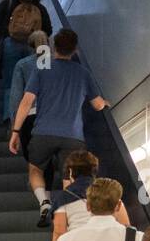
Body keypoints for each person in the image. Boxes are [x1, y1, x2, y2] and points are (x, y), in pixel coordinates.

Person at [9, 29, 110, 227]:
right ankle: (70, 219)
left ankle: (44, 202)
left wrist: (15, 131)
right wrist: (105, 102)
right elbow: (97, 105)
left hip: (42, 133)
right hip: (73, 136)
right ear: (75, 50)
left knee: (35, 169)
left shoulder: (42, 69)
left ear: (54, 46)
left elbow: (26, 101)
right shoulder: (83, 73)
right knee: (69, 178)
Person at [49, 150, 129, 241]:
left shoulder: (63, 198)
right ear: (94, 169)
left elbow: (59, 232)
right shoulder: (108, 191)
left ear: (70, 171)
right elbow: (126, 226)